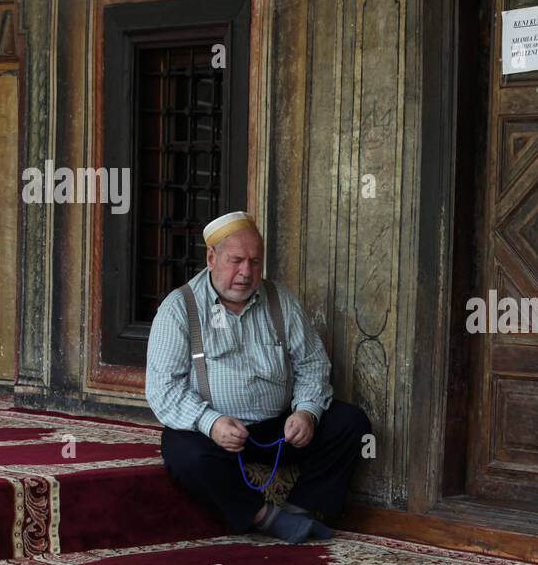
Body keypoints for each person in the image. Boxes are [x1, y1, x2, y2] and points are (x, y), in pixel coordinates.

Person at [145, 211, 371, 543]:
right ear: (211, 258)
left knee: (350, 423)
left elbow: (312, 364)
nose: (246, 272)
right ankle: (264, 516)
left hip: (276, 428)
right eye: (236, 261)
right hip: (216, 433)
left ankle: (301, 509)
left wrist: (307, 412)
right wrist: (212, 422)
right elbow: (164, 390)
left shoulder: (280, 301)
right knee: (184, 454)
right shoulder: (179, 309)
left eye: (254, 262)